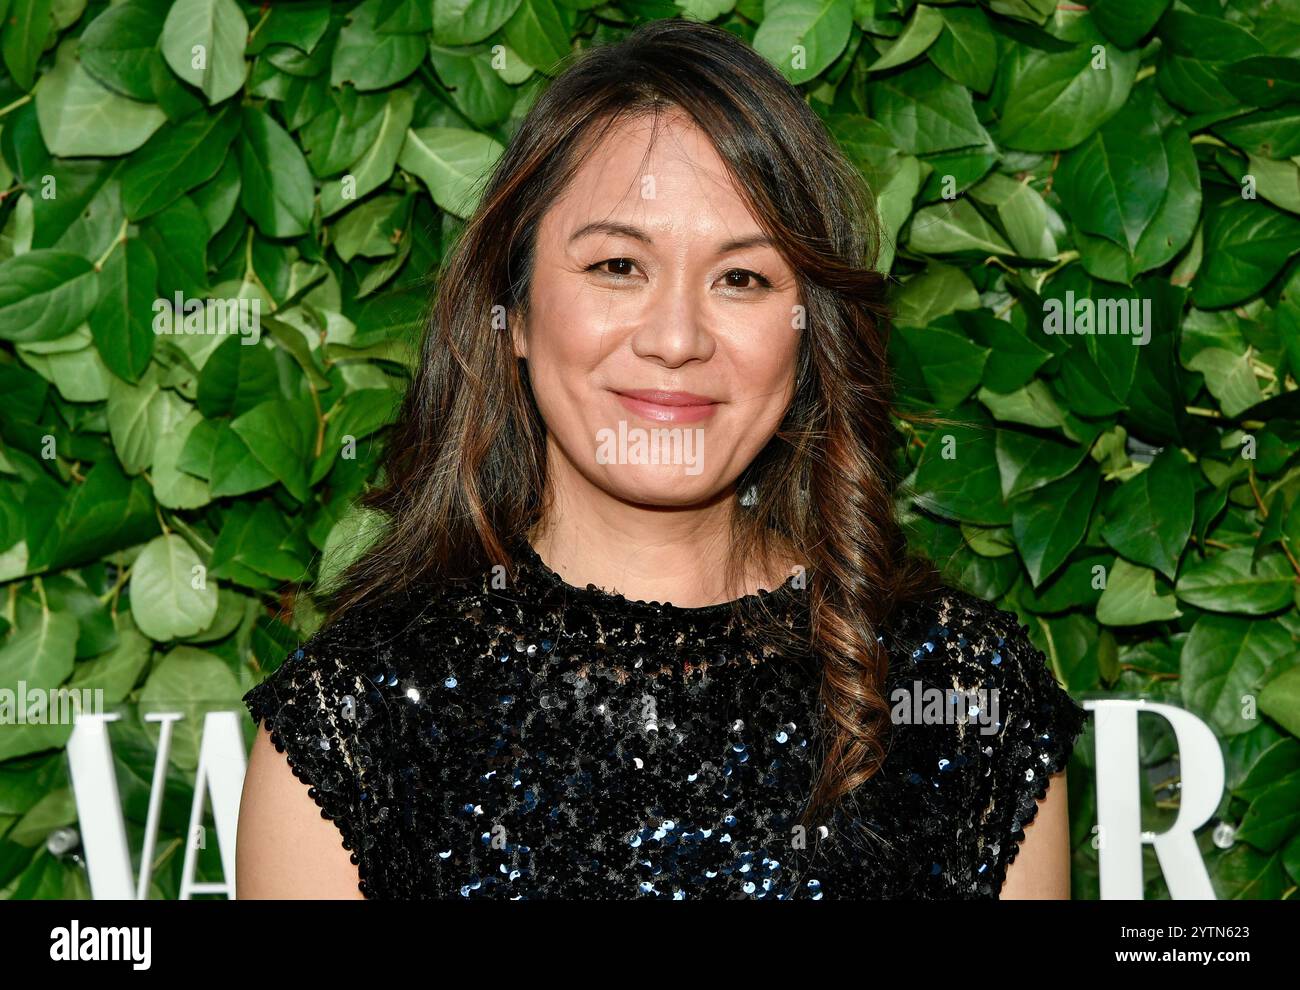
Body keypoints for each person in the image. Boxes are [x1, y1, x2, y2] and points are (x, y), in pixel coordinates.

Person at [235, 18, 1087, 900]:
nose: (677, 338)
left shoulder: (965, 696)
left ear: (808, 336)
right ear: (515, 311)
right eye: (616, 265)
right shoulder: (357, 719)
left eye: (742, 279)